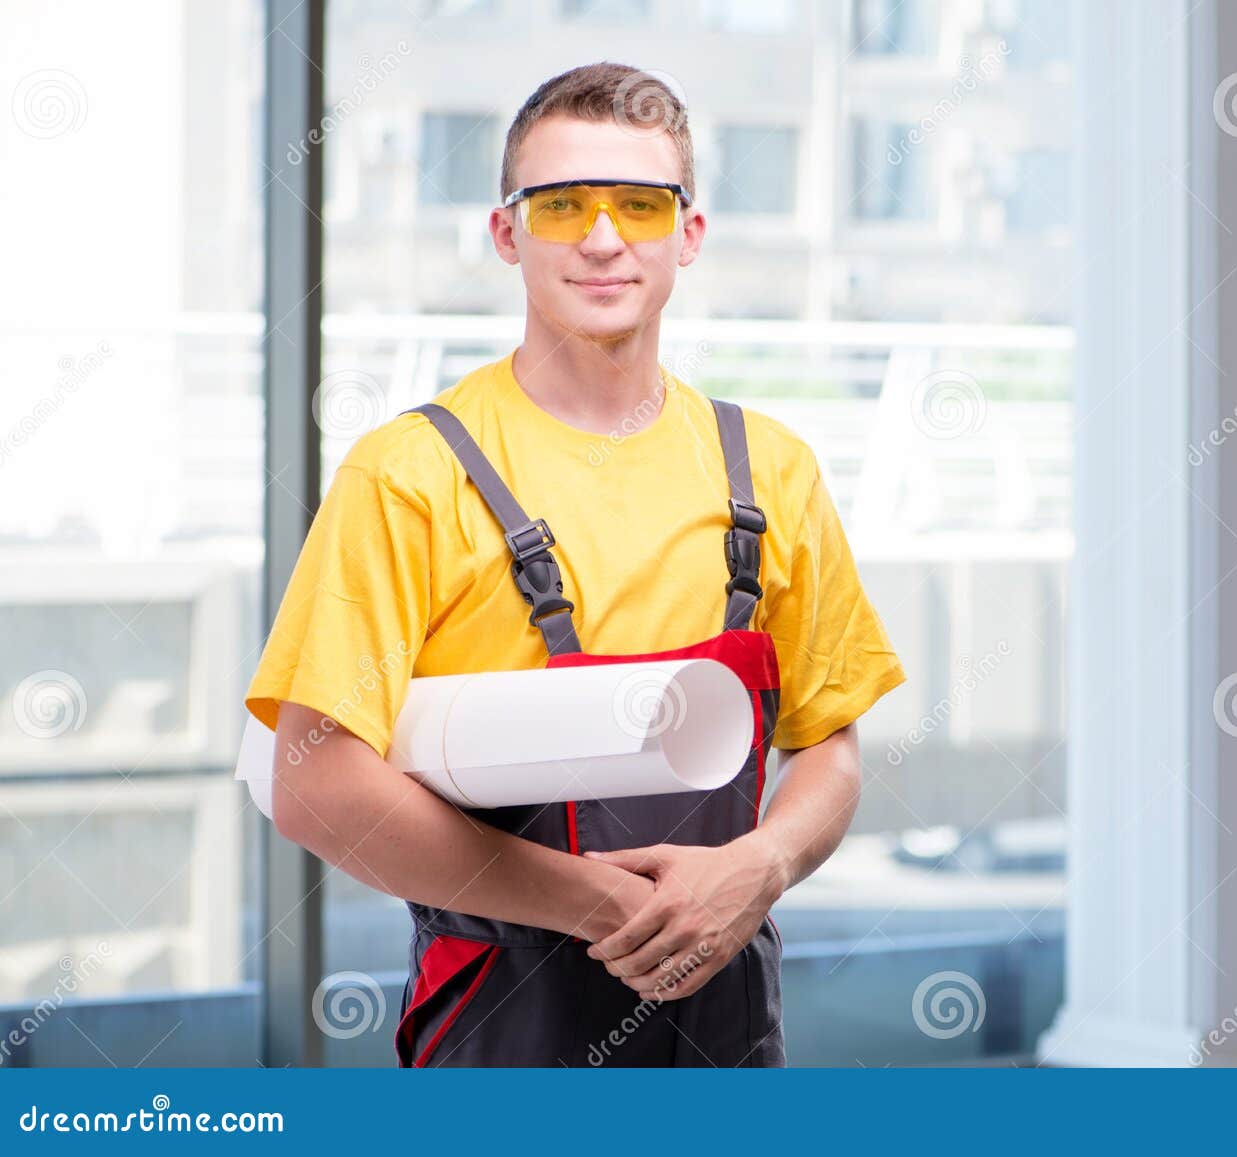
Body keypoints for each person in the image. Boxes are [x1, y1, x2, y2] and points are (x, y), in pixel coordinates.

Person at [243, 61, 907, 1067]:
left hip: (725, 1024)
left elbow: (830, 748)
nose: (602, 237)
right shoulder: (412, 474)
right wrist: (602, 904)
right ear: (507, 233)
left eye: (639, 204)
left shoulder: (770, 469)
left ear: (688, 233)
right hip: (503, 1034)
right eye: (562, 205)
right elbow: (314, 779)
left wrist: (756, 869)